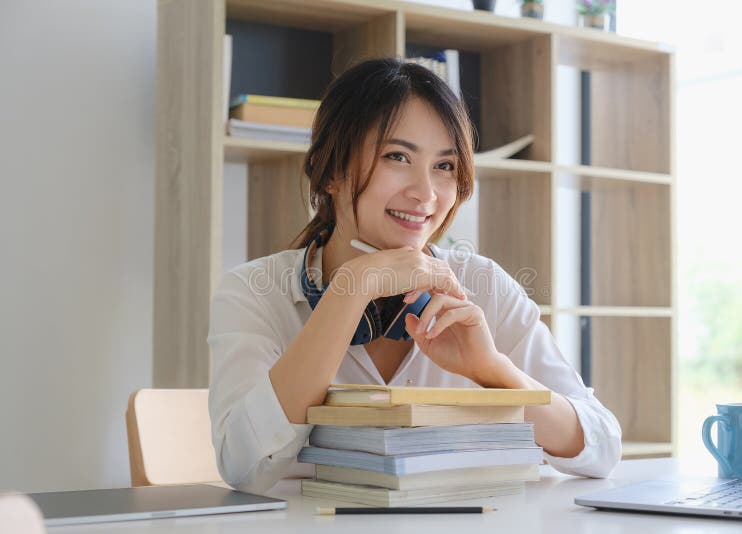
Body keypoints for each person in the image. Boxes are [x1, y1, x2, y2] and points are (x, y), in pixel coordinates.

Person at [208, 58, 621, 496]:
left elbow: (601, 446)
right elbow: (242, 466)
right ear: (331, 171)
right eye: (397, 157)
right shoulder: (252, 294)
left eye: (444, 166)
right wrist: (351, 292)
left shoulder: (481, 285)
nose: (426, 193)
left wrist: (493, 371)